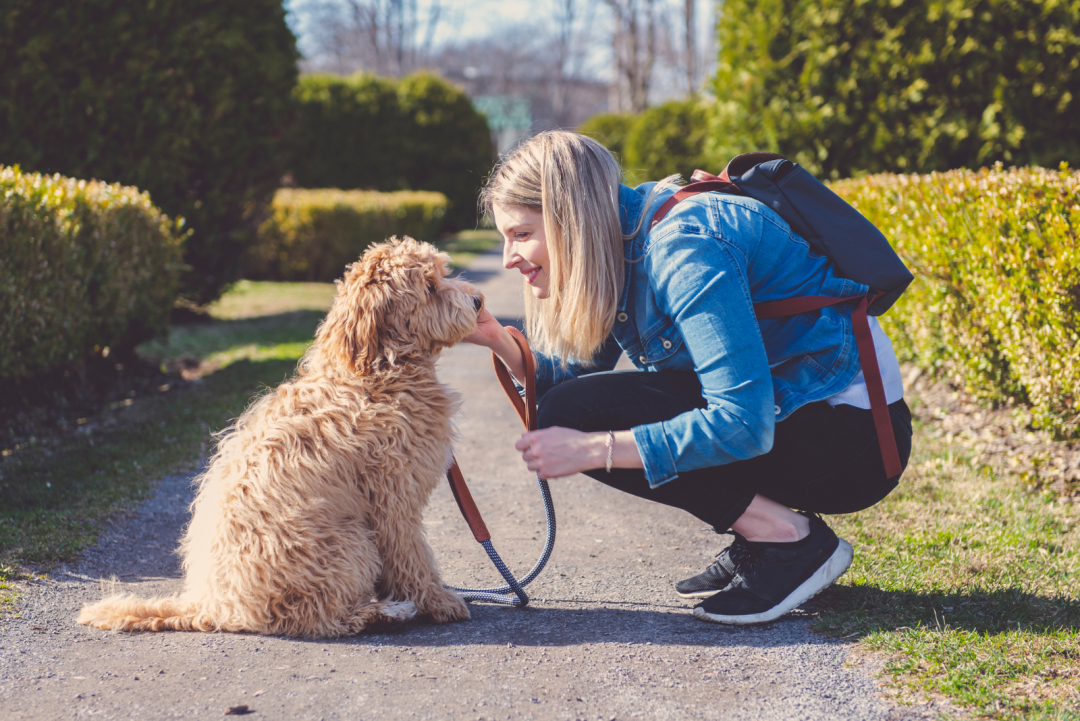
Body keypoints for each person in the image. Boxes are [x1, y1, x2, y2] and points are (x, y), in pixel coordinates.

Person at [463, 131, 912, 625]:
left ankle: (787, 541)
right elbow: (569, 390)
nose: (508, 259)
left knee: (578, 421)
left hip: (852, 442)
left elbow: (743, 423)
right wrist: (495, 339)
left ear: (571, 218)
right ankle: (764, 535)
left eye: (522, 235)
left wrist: (596, 450)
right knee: (572, 411)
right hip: (804, 418)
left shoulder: (684, 246)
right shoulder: (624, 238)